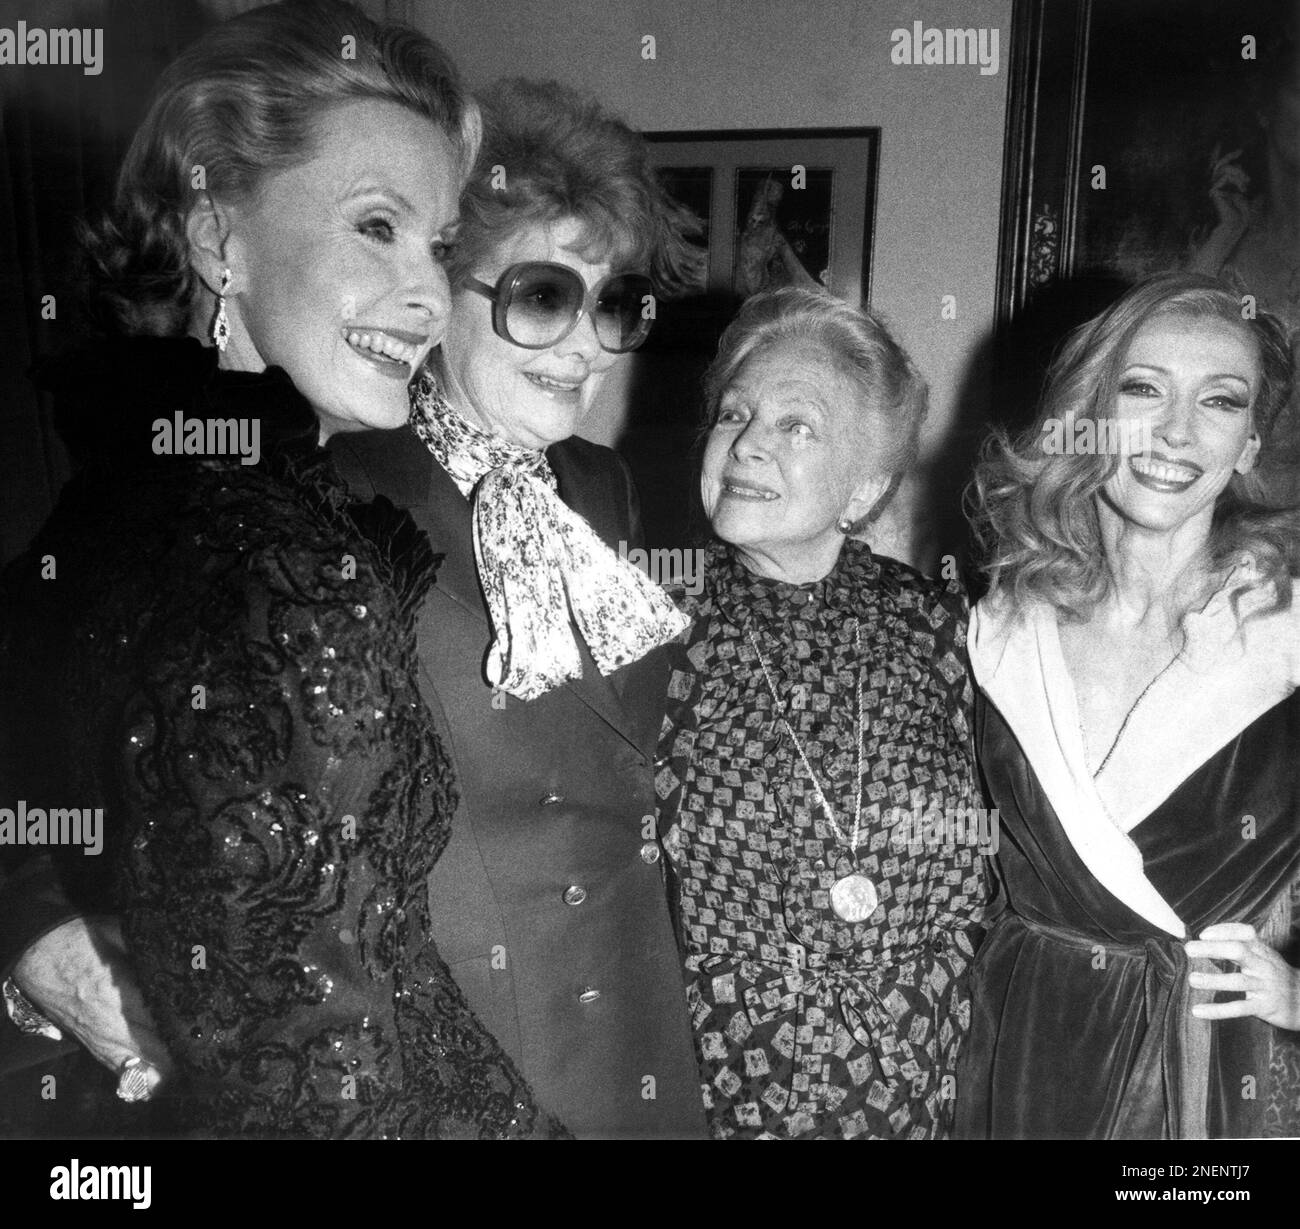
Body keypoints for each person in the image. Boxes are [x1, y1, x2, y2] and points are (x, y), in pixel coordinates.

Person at [0, 0, 562, 1139]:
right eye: (374, 226)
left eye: (439, 245)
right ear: (219, 241)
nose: (427, 293)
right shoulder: (276, 558)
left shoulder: (123, 479)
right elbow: (326, 1089)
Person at [329, 77, 708, 1138]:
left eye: (614, 303)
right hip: (481, 1044)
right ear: (440, 288)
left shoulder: (602, 486)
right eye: (544, 295)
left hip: (638, 1016)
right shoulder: (336, 488)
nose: (587, 345)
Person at [957, 273, 1300, 1139]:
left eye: (1220, 402)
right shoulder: (999, 628)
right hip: (1025, 1044)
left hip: (1213, 1071)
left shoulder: (1286, 627)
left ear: (1251, 444)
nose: (1176, 432)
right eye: (1143, 388)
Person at [655, 287, 990, 1139]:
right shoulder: (647, 627)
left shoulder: (947, 631)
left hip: (923, 1093)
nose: (747, 445)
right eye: (734, 414)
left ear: (864, 486)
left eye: (795, 426)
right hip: (720, 1099)